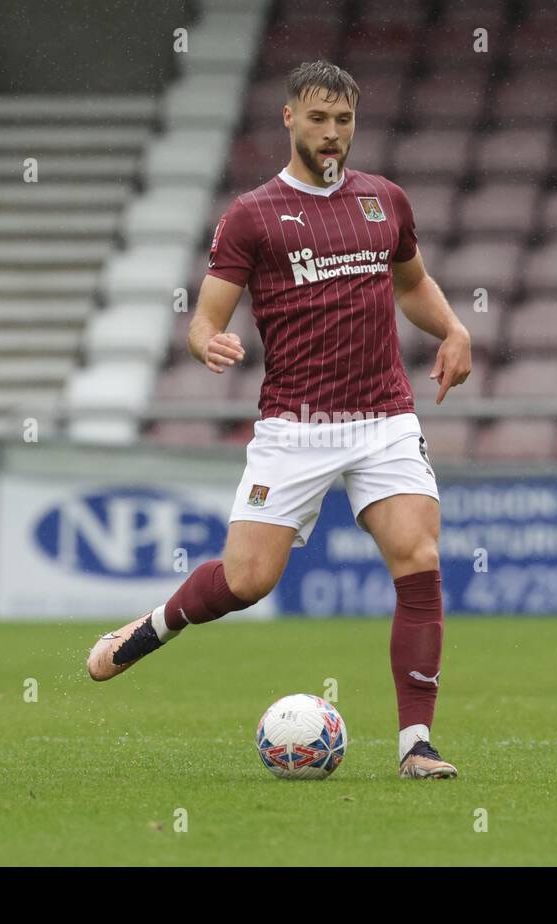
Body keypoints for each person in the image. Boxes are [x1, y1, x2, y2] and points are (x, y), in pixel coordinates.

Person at [86, 61, 473, 778]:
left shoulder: (384, 200)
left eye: (344, 121)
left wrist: (453, 329)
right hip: (295, 425)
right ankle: (154, 626)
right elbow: (205, 319)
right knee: (246, 580)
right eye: (319, 119)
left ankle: (416, 743)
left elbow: (412, 284)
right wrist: (211, 343)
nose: (332, 134)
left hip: (382, 415)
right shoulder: (252, 215)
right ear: (290, 119)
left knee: (418, 558)